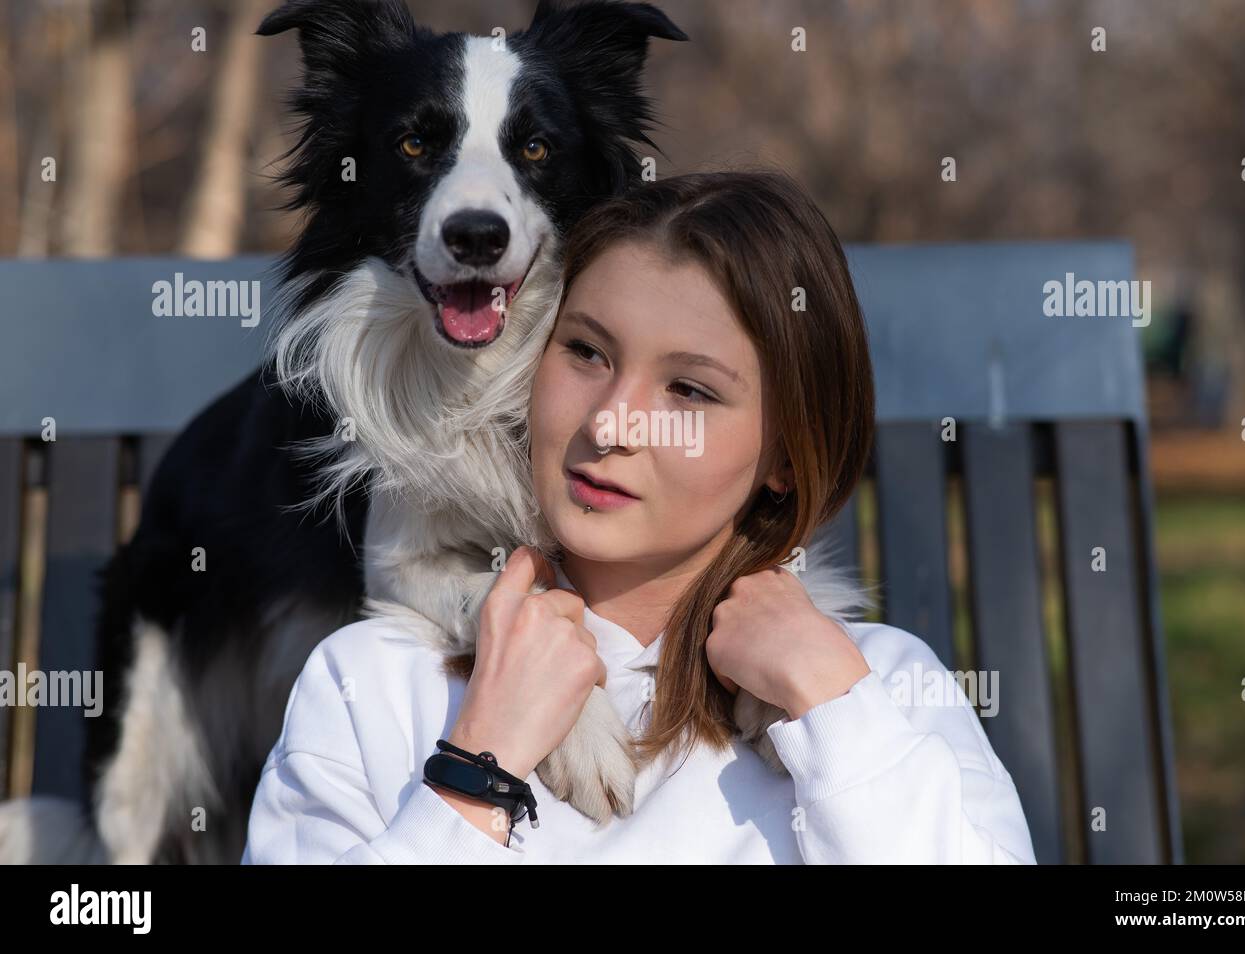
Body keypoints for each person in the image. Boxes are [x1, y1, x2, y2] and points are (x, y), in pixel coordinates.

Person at [241, 170, 1037, 864]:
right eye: (586, 352)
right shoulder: (373, 685)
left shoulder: (879, 689)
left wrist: (831, 705)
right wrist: (477, 768)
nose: (612, 423)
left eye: (689, 390)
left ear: (788, 457)